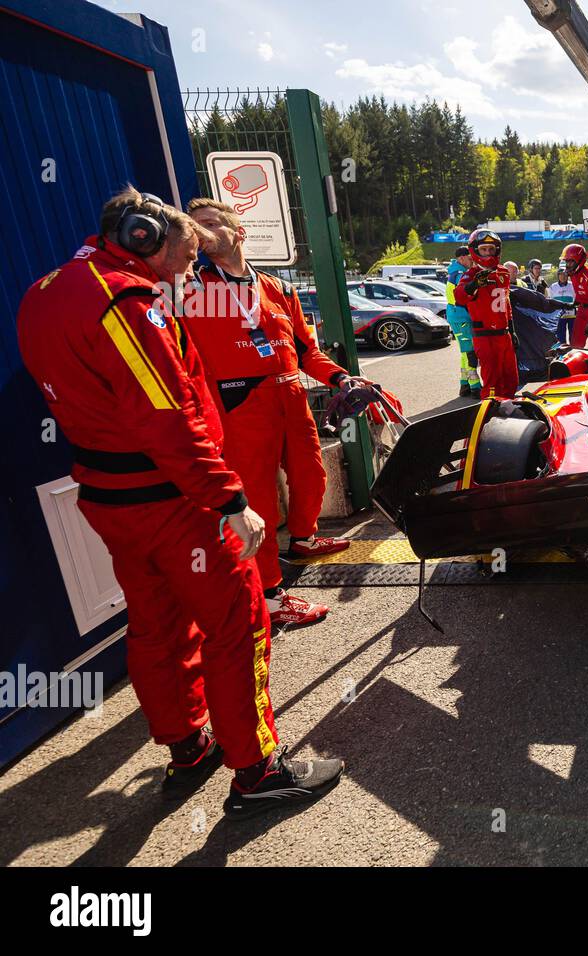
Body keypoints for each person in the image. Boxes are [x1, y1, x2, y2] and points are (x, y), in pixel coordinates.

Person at [16, 186, 343, 816]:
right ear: (144, 238)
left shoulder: (46, 291)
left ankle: (189, 745)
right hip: (174, 501)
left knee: (157, 627)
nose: (189, 274)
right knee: (237, 625)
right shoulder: (128, 302)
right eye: (185, 259)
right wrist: (229, 500)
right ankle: (257, 770)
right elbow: (166, 417)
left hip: (112, 498)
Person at [186, 198, 352, 628]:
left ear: (238, 232)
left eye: (208, 223)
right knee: (256, 499)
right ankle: (272, 595)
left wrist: (340, 379)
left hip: (291, 395)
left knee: (312, 473)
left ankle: (304, 538)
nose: (200, 232)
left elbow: (305, 351)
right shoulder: (191, 288)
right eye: (194, 227)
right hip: (239, 405)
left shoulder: (280, 288)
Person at [457, 229, 517, 399]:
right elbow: (460, 297)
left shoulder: (503, 272)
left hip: (504, 334)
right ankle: (491, 414)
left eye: (491, 249)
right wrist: (473, 285)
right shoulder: (470, 275)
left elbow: (506, 303)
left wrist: (512, 330)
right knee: (492, 382)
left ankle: (509, 413)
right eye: (484, 249)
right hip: (485, 336)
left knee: (511, 379)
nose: (488, 253)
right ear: (475, 250)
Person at [445, 245, 481, 398]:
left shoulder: (455, 271)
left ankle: (464, 385)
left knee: (465, 352)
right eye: (469, 256)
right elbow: (466, 295)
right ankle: (475, 388)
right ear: (461, 258)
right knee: (470, 352)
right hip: (461, 315)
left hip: (457, 315)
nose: (471, 259)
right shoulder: (460, 274)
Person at [548, 265, 577, 344]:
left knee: (573, 336)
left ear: (567, 276)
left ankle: (572, 350)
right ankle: (562, 353)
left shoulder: (573, 285)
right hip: (559, 316)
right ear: (558, 276)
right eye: (561, 275)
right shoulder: (553, 287)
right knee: (560, 336)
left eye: (565, 275)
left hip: (572, 315)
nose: (563, 277)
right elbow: (551, 300)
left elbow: (577, 298)